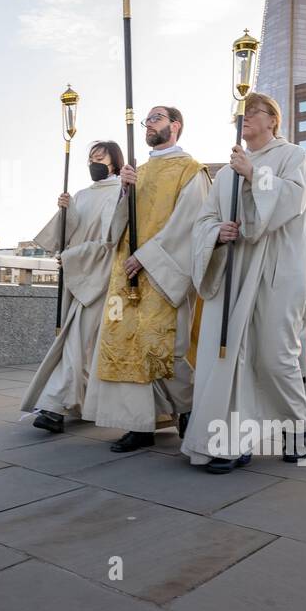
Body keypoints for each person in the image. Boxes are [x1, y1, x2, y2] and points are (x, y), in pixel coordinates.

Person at [183, 93, 306, 472]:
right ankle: (232, 441)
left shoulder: (295, 156)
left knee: (275, 358)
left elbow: (292, 201)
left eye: (252, 113)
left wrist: (253, 174)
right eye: (240, 115)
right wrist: (217, 232)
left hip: (277, 270)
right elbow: (204, 219)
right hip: (233, 270)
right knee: (230, 358)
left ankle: (297, 429)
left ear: (272, 120)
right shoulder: (225, 172)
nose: (243, 120)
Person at [82, 107, 211, 452]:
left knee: (163, 348)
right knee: (123, 345)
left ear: (175, 126)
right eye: (147, 120)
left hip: (162, 270)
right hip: (125, 273)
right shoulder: (136, 171)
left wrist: (149, 256)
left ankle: (187, 408)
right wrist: (124, 191)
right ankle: (138, 424)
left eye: (156, 118)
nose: (149, 124)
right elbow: (117, 227)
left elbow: (190, 225)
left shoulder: (191, 170)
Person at [22, 141, 123, 432]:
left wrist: (73, 257)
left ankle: (55, 406)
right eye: (90, 157)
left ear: (114, 162)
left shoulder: (120, 192)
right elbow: (69, 234)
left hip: (98, 275)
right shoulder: (81, 194)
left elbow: (110, 242)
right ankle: (79, 400)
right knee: (81, 343)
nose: (94, 162)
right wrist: (66, 211)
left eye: (99, 157)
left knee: (76, 339)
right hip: (77, 270)